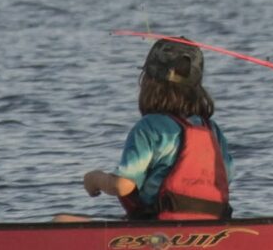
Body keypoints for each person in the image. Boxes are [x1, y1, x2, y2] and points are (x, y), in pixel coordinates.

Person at [76, 38, 234, 224]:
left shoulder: (149, 128)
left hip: (159, 226)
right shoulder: (212, 129)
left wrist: (94, 179)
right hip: (213, 224)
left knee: (61, 220)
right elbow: (226, 176)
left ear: (149, 83)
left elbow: (122, 185)